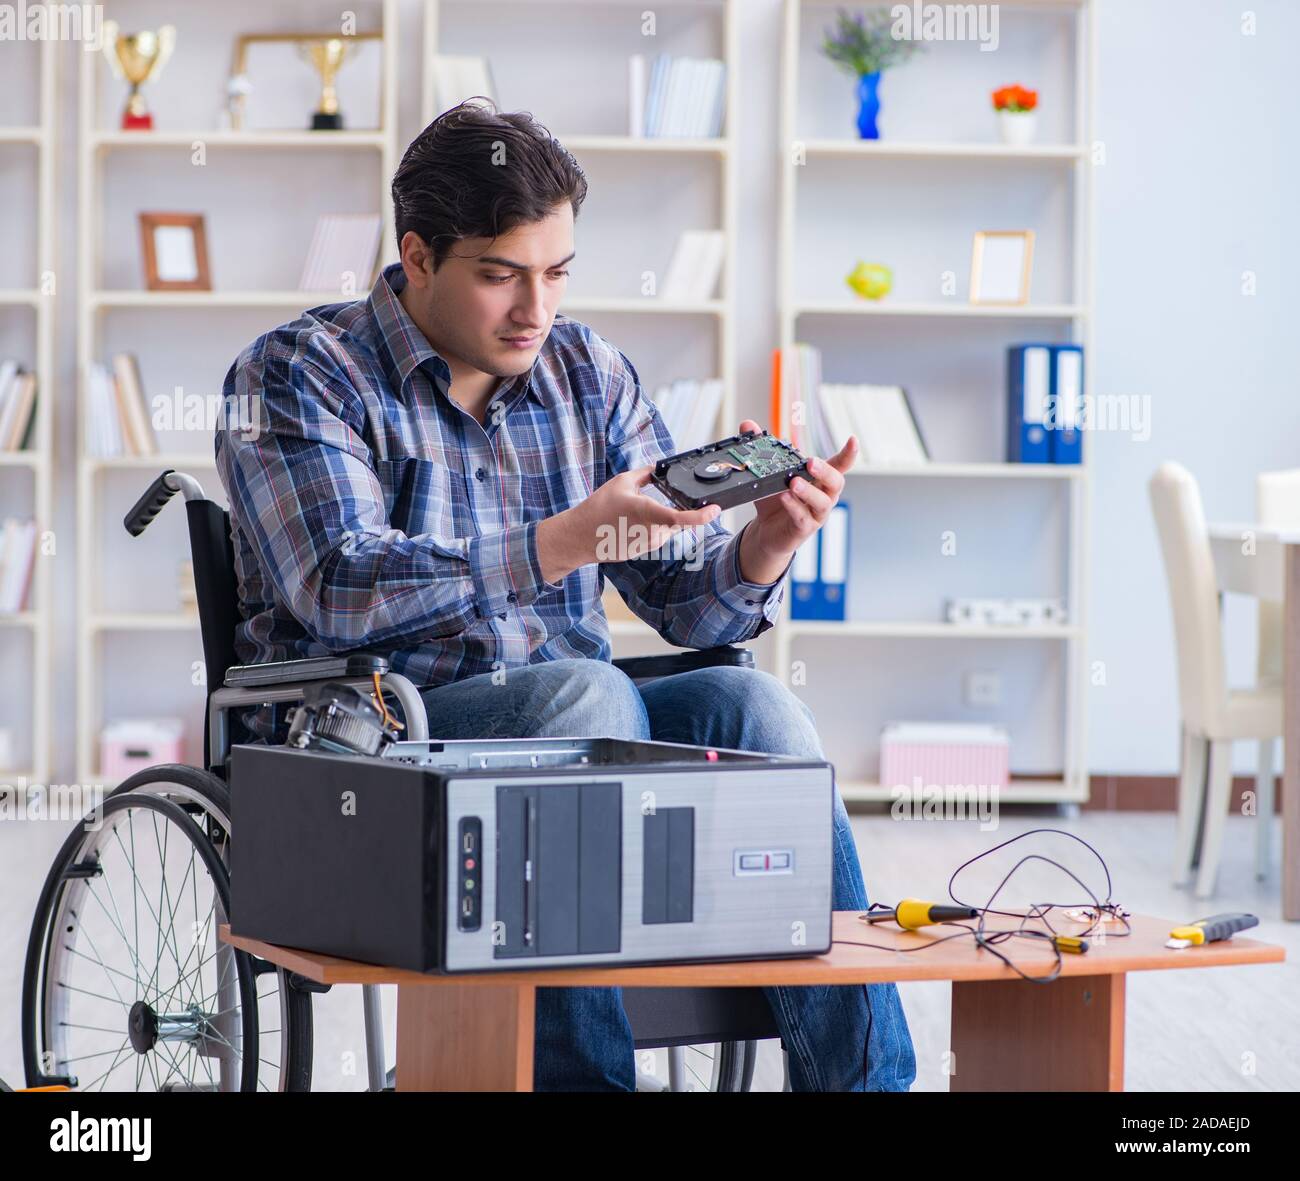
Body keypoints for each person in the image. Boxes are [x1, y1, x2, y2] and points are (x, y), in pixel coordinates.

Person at [215, 99, 916, 1092]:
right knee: (585, 698)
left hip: (569, 740)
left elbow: (686, 606)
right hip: (373, 741)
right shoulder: (299, 374)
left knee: (751, 704)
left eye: (554, 273)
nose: (533, 309)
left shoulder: (587, 373)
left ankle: (864, 1083)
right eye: (500, 274)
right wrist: (559, 541)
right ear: (415, 256)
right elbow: (336, 583)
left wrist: (761, 545)